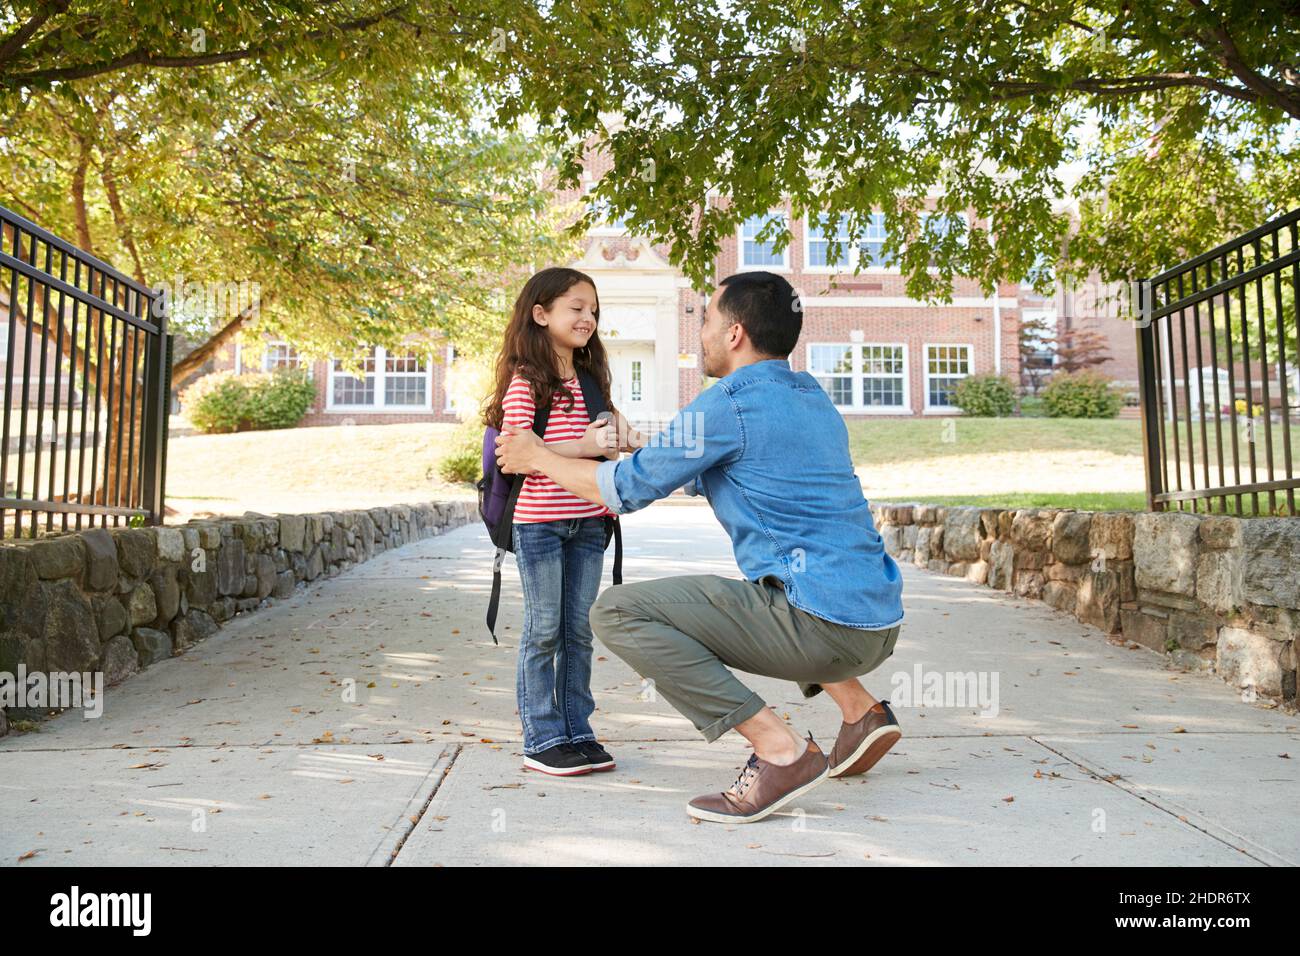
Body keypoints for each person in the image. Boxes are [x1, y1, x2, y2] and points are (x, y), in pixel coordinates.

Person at [495, 269, 905, 823]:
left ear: (734, 334)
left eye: (706, 319)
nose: (701, 333)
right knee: (789, 584)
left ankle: (778, 751)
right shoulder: (810, 396)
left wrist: (539, 457)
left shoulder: (727, 403)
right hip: (877, 624)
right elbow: (713, 467)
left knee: (617, 612)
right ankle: (860, 709)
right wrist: (645, 447)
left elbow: (626, 491)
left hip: (818, 628)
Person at [482, 267, 645, 777]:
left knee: (579, 631)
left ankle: (578, 730)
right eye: (576, 307)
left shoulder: (593, 381)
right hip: (540, 524)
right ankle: (543, 736)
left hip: (590, 523)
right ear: (541, 313)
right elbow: (513, 454)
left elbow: (616, 436)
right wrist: (585, 447)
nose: (588, 318)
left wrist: (627, 438)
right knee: (543, 631)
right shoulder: (526, 381)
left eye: (593, 309)